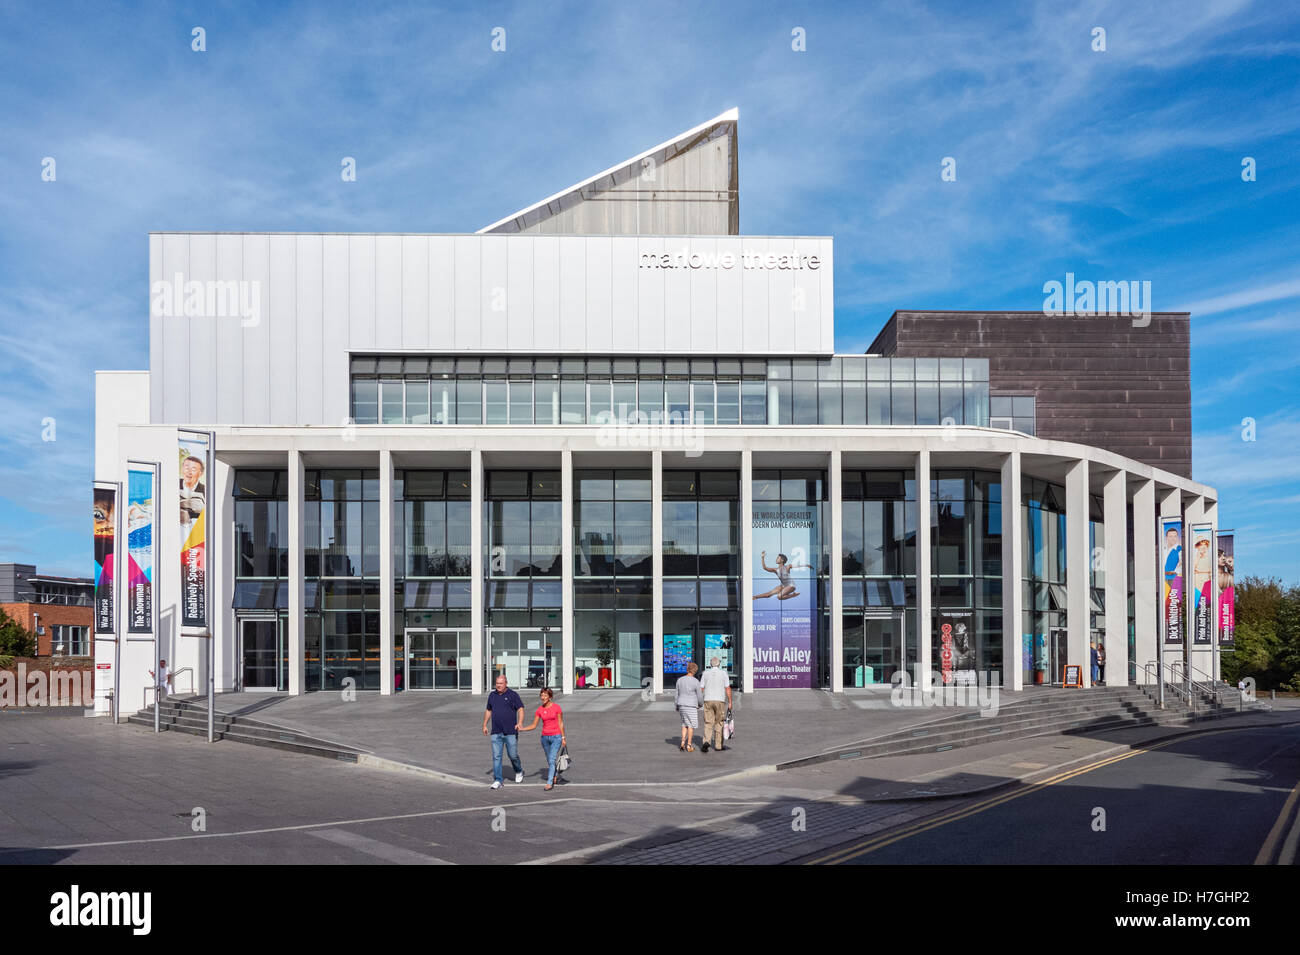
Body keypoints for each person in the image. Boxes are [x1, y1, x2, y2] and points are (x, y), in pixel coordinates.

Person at [481, 674, 525, 789]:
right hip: (496, 731)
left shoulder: (513, 695)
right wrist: (484, 724)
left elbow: (520, 709)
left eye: (501, 683)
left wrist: (520, 723)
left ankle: (519, 770)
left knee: (513, 755)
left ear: (506, 683)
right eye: (497, 683)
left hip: (510, 732)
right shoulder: (492, 695)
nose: (498, 686)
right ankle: (498, 780)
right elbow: (488, 710)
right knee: (496, 756)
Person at [520, 687, 566, 791]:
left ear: (550, 697)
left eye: (545, 695)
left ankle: (549, 783)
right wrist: (523, 729)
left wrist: (563, 737)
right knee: (549, 759)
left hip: (556, 737)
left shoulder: (557, 708)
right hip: (545, 738)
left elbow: (560, 723)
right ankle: (554, 774)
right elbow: (534, 725)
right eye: (542, 695)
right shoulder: (539, 710)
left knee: (552, 759)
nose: (543, 697)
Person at [698, 656, 732, 752]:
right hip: (720, 700)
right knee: (719, 722)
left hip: (708, 699)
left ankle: (706, 742)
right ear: (719, 664)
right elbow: (727, 688)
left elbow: (701, 688)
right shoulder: (723, 673)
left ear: (710, 664)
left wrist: (699, 701)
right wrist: (730, 702)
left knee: (708, 722)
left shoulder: (705, 673)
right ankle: (718, 745)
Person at [675, 662, 703, 752]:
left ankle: (682, 743)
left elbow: (677, 694)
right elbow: (699, 696)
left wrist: (676, 705)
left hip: (682, 705)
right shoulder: (695, 681)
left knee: (684, 724)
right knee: (691, 725)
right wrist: (700, 704)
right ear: (695, 671)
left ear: (687, 669)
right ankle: (689, 745)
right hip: (691, 706)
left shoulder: (680, 680)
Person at [179, 456, 206, 526]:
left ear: (200, 473)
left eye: (193, 470)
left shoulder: (206, 490)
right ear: (182, 469)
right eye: (187, 468)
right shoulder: (174, 486)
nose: (189, 472)